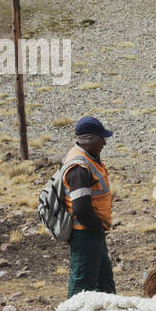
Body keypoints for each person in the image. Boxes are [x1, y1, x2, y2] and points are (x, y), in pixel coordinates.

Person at [62, 116, 116, 297]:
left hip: (92, 233)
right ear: (90, 140)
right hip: (85, 235)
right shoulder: (79, 166)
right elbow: (81, 209)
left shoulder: (88, 158)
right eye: (102, 138)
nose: (104, 143)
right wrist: (96, 230)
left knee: (103, 283)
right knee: (82, 289)